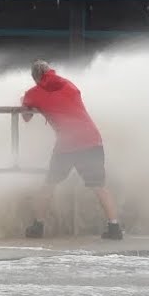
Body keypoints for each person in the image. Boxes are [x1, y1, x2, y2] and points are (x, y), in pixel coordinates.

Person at [19, 59, 122, 240]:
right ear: (50, 71)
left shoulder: (33, 93)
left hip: (67, 146)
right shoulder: (68, 84)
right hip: (92, 140)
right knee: (99, 186)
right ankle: (115, 227)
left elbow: (26, 117)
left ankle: (38, 226)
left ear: (35, 77)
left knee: (49, 185)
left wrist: (25, 102)